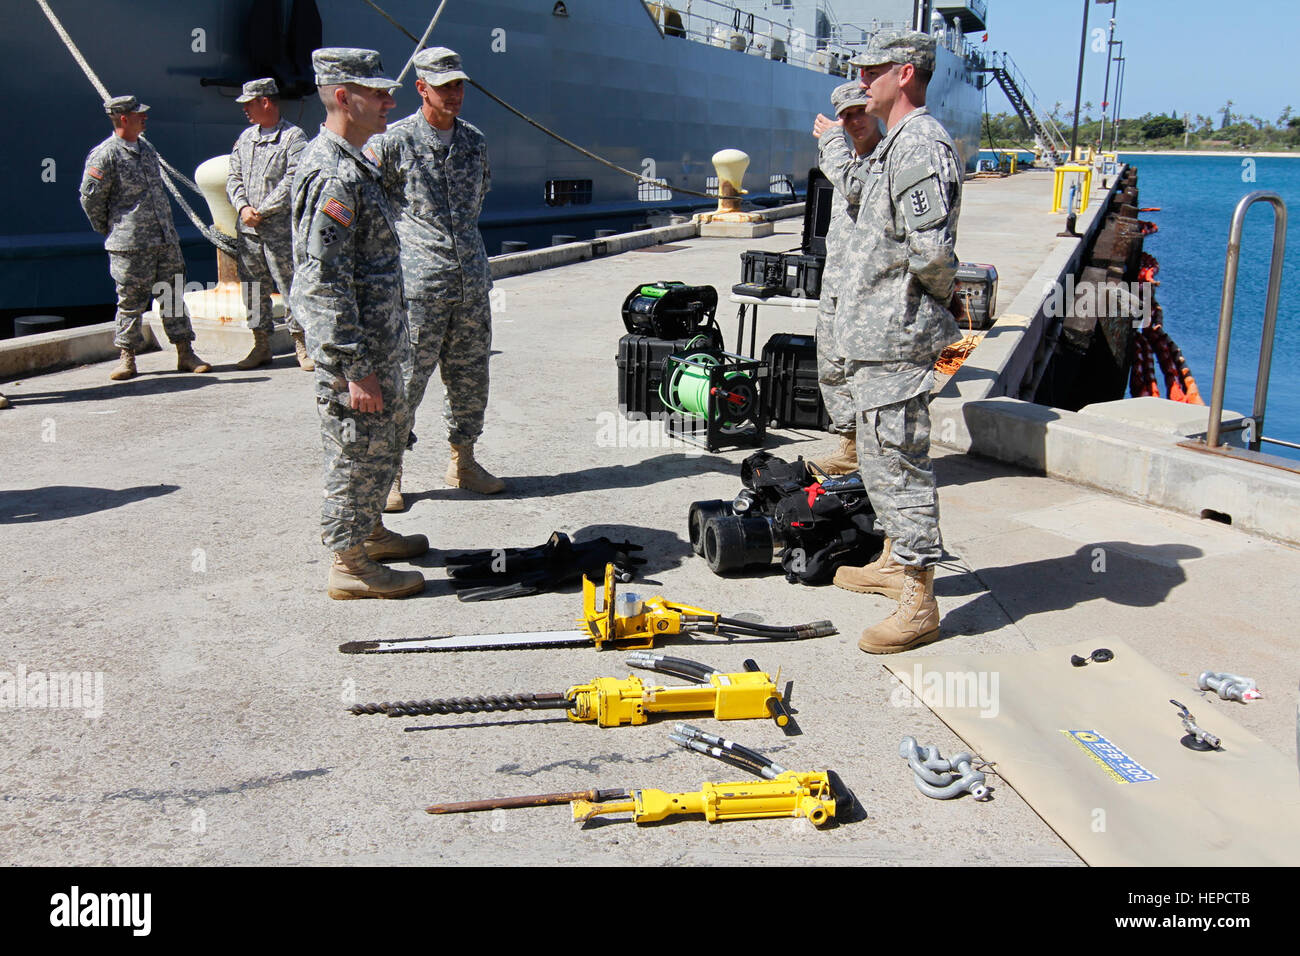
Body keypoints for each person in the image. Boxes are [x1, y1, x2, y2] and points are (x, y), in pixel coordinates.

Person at [820, 31, 963, 654]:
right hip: (874, 336)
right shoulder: (894, 146)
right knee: (880, 458)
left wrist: (918, 305)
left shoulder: (920, 146)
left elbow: (932, 252)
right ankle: (892, 560)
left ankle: (919, 601)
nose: (862, 78)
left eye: (872, 69)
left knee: (899, 465)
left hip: (895, 336)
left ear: (905, 73)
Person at [291, 48, 427, 600]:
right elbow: (321, 280)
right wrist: (353, 366)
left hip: (376, 345)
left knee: (380, 444)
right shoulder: (331, 174)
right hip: (357, 354)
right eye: (378, 93)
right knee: (354, 452)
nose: (389, 101)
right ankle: (350, 566)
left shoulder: (356, 161)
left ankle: (368, 531)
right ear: (343, 98)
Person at [366, 46, 504, 513]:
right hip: (417, 288)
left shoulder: (474, 141)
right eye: (444, 86)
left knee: (470, 378)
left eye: (459, 85)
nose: (455, 94)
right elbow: (372, 209)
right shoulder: (393, 141)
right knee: (406, 381)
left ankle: (463, 461)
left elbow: (478, 199)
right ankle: (390, 473)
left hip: (469, 281)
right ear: (422, 88)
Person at [80, 95, 212, 381]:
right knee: (130, 301)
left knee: (173, 296)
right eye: (139, 115)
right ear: (123, 119)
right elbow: (90, 199)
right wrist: (113, 229)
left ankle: (185, 353)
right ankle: (127, 358)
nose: (145, 117)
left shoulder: (147, 148)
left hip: (164, 238)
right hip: (130, 245)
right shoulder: (105, 155)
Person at [809, 81, 884, 475]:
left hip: (871, 292)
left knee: (866, 373)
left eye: (860, 111)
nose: (853, 121)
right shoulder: (850, 160)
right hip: (838, 284)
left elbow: (856, 191)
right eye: (845, 116)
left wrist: (832, 143)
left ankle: (876, 458)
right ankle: (852, 450)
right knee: (833, 367)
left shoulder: (885, 159)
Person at [225, 78, 310, 370]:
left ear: (266, 102)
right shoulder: (245, 138)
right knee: (252, 288)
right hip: (248, 230)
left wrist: (261, 209)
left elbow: (295, 179)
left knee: (291, 286)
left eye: (250, 104)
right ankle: (260, 345)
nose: (246, 110)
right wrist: (243, 207)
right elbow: (233, 177)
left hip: (279, 231)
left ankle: (302, 344)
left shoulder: (294, 137)